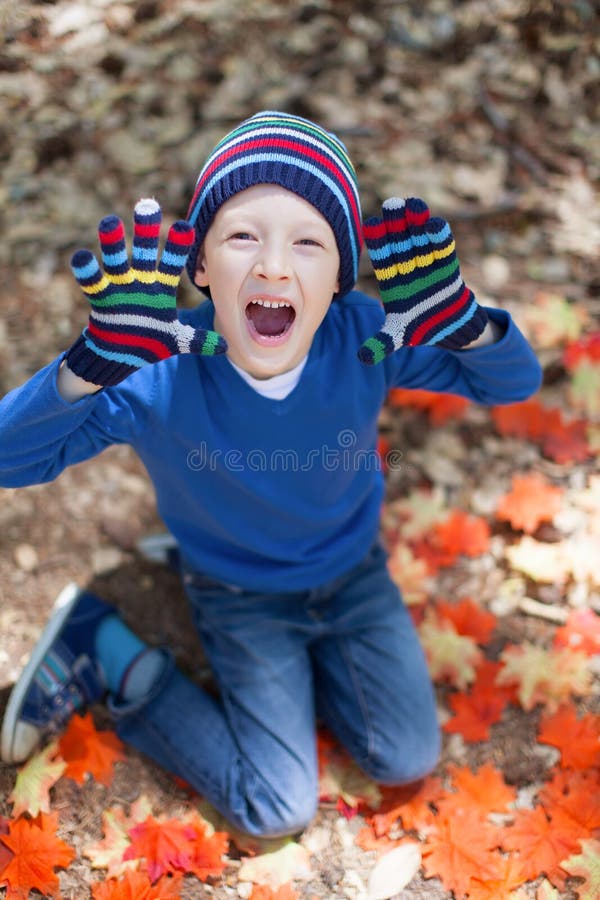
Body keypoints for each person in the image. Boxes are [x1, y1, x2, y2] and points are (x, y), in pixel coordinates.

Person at [0, 110, 542, 837]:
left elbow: (512, 382)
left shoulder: (366, 338)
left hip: (353, 574)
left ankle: (313, 670)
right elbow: (12, 458)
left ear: (341, 279)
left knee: (406, 755)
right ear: (199, 266)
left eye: (308, 243)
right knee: (276, 808)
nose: (275, 266)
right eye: (243, 237)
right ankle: (104, 646)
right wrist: (85, 369)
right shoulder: (158, 371)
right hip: (239, 593)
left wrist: (465, 322)